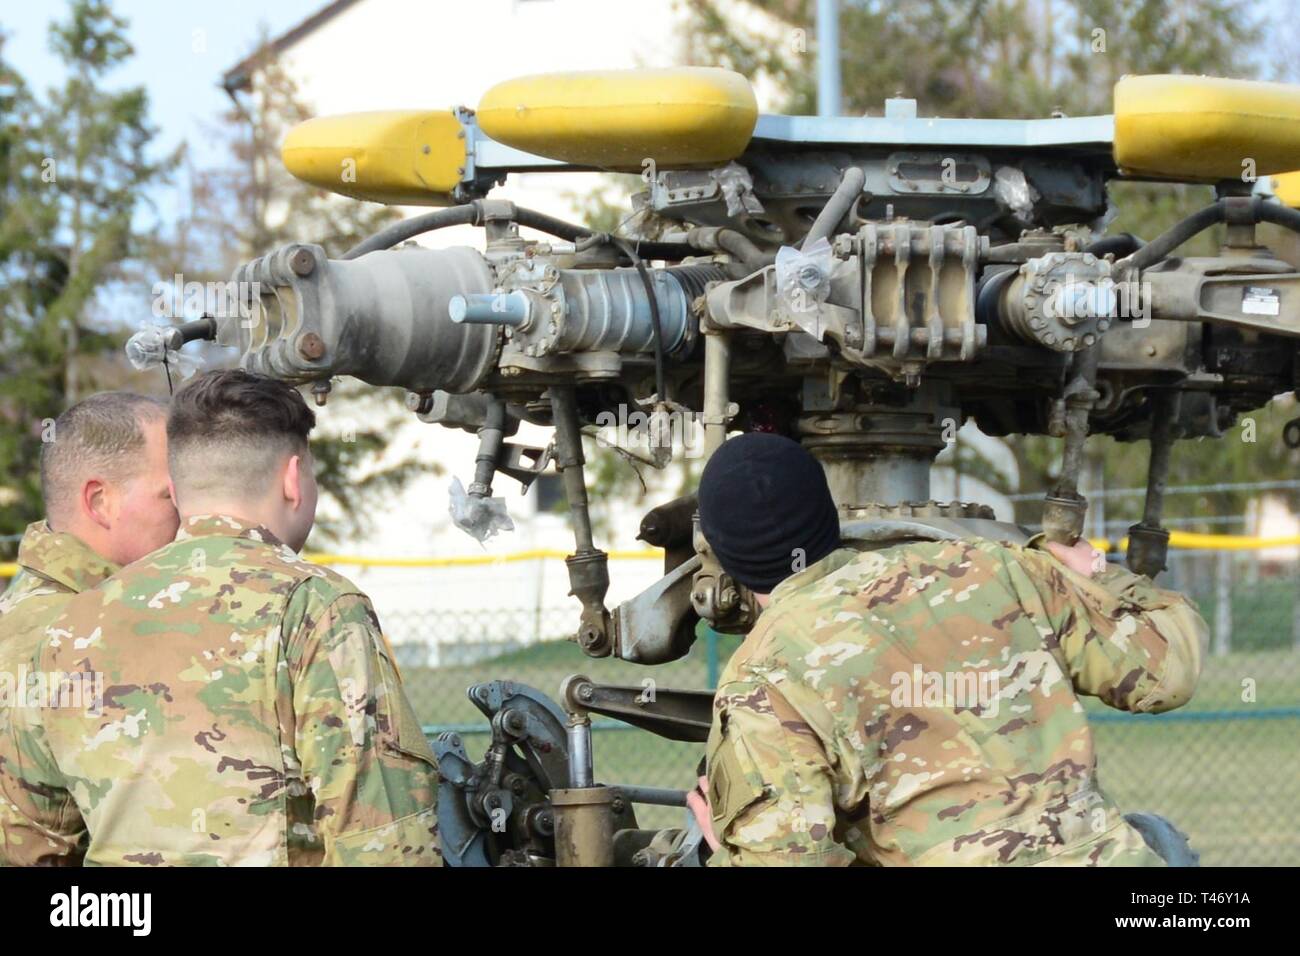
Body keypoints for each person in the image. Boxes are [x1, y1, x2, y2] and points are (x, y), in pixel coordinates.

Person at [688, 432, 1206, 866]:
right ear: (826, 511)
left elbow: (788, 858)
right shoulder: (997, 567)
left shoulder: (762, 678)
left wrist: (730, 845)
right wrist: (1095, 571)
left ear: (721, 551)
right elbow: (1169, 670)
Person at [0, 370, 440, 866]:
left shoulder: (69, 623)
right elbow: (384, 844)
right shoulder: (315, 606)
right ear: (293, 480)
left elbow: (29, 843)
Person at [1, 392, 177, 693]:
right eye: (169, 495)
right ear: (100, 502)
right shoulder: (87, 639)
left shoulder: (42, 611)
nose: (186, 510)